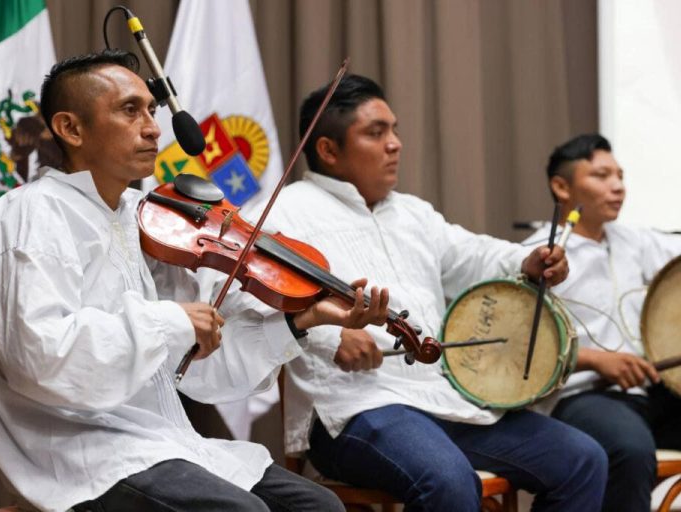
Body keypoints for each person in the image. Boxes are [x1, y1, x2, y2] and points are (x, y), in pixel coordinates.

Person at [0, 50, 391, 512]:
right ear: (71, 128)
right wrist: (169, 321)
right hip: (81, 452)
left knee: (319, 508)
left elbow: (198, 372)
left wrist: (300, 320)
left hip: (163, 442)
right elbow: (41, 359)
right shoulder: (32, 213)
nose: (153, 126)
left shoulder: (148, 221)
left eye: (151, 109)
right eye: (130, 110)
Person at [257, 74, 608, 511]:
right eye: (375, 132)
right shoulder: (284, 214)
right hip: (352, 410)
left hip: (441, 398)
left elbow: (471, 254)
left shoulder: (413, 213)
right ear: (328, 150)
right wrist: (329, 336)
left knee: (582, 460)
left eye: (395, 130)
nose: (395, 143)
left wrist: (527, 260)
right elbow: (250, 304)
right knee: (448, 482)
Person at [524, 133, 681, 512]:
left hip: (649, 393)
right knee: (628, 449)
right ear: (561, 187)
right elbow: (522, 349)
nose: (617, 186)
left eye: (620, 176)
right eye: (601, 175)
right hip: (582, 396)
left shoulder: (635, 241)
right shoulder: (535, 257)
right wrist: (595, 359)